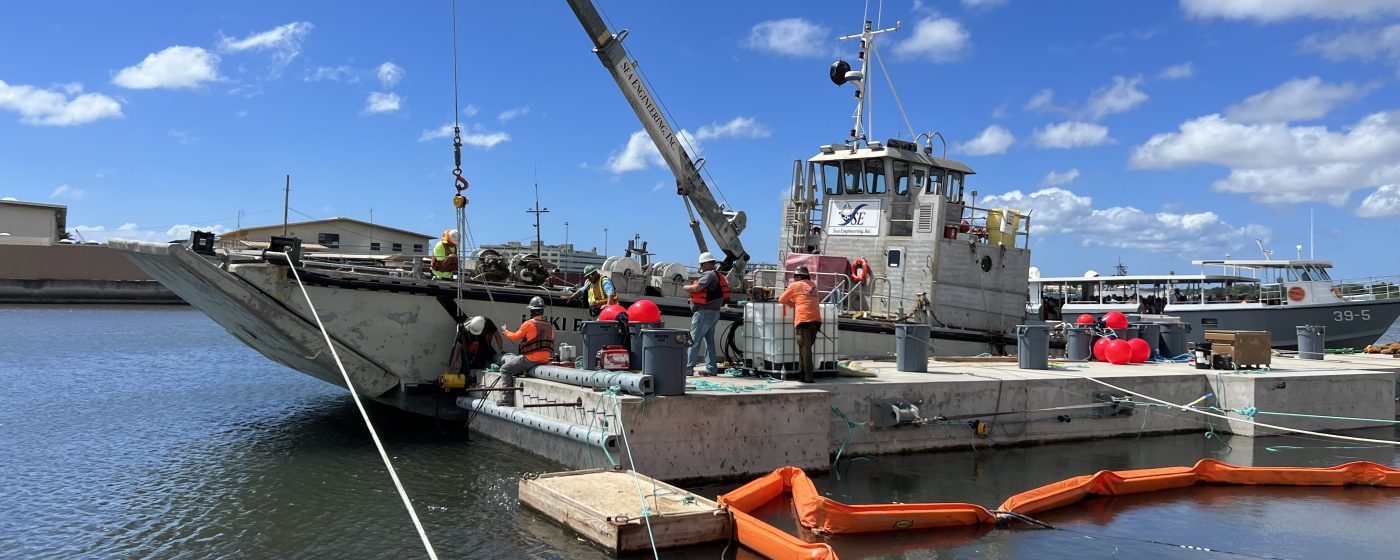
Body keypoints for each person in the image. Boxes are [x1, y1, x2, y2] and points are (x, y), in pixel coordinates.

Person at [499, 296, 554, 406]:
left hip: (531, 358)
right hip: (545, 359)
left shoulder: (529, 323)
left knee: (505, 369)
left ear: (532, 312)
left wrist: (505, 331)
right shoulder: (550, 325)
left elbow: (515, 337)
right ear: (542, 311)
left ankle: (507, 399)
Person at [682, 251, 728, 376]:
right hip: (714, 313)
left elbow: (697, 288)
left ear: (708, 264)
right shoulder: (719, 276)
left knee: (694, 340)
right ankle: (712, 369)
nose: (701, 267)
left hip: (703, 313)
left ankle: (687, 369)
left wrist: (685, 287)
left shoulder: (709, 275)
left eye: (702, 264)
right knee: (709, 341)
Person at [779, 266, 822, 383]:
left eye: (794, 276)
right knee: (804, 349)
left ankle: (808, 377)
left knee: (805, 350)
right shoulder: (813, 286)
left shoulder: (795, 285)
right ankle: (802, 375)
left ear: (798, 276)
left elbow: (781, 299)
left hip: (803, 321)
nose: (794, 279)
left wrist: (791, 300)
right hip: (816, 322)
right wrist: (794, 300)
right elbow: (805, 299)